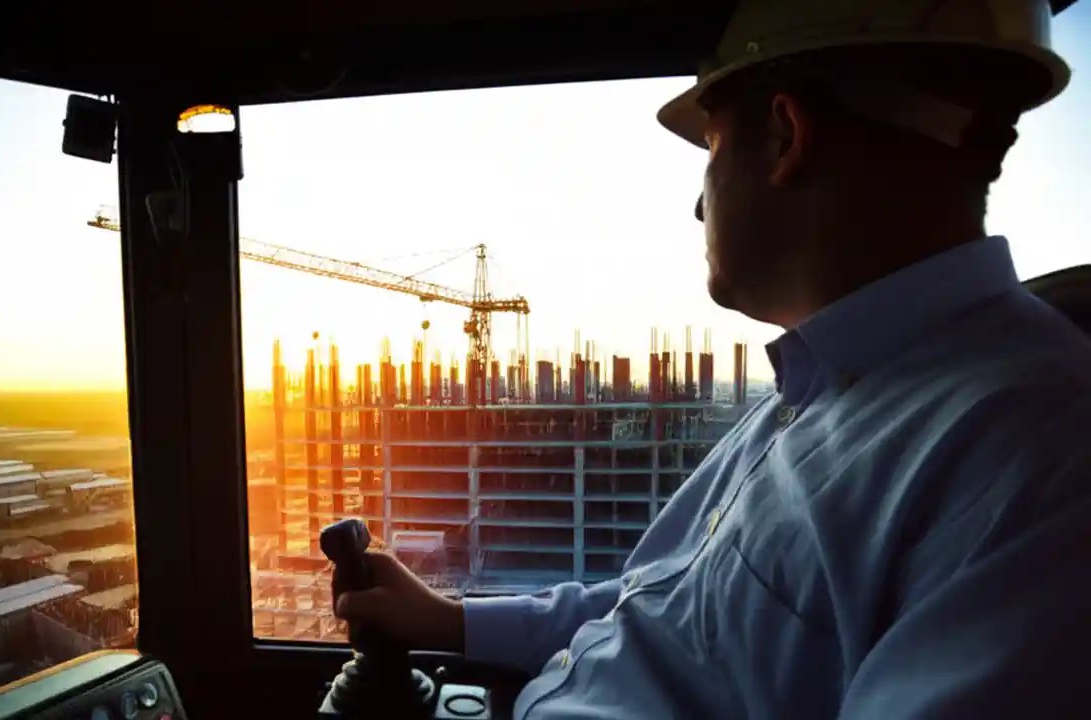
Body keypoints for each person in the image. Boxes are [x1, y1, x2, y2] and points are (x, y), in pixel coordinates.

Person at [334, 0, 1091, 717]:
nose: (699, 206)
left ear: (787, 134)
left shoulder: (1041, 462)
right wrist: (450, 621)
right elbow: (660, 601)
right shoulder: (815, 394)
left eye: (712, 149)